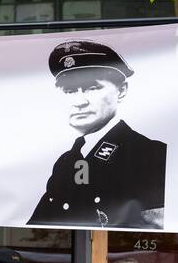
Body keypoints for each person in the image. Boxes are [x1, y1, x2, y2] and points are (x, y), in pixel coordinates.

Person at [30, 40, 166, 228]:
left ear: (122, 91)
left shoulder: (150, 154)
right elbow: (40, 229)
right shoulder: (66, 162)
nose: (79, 101)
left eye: (92, 88)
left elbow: (158, 230)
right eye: (69, 90)